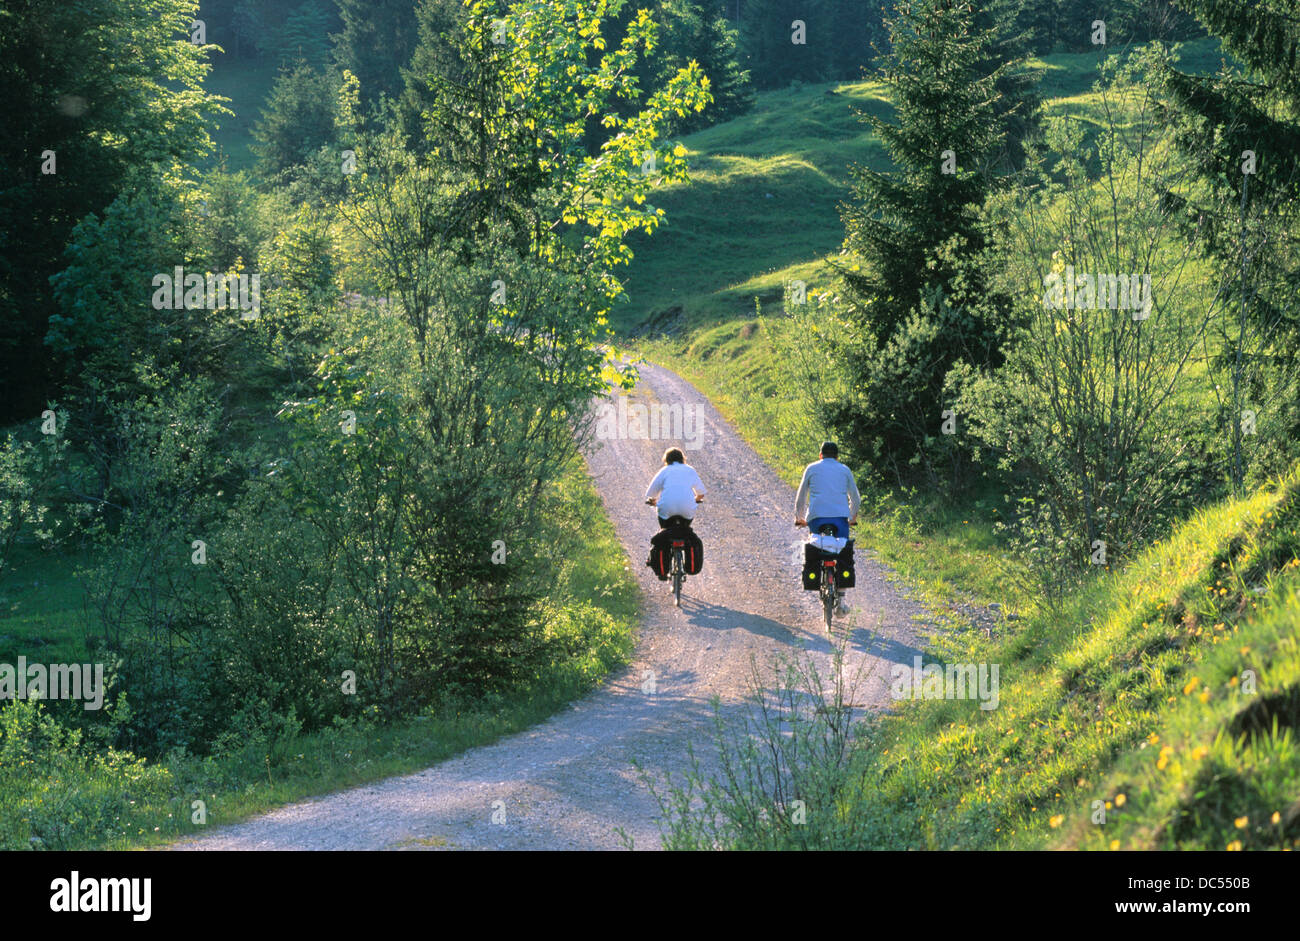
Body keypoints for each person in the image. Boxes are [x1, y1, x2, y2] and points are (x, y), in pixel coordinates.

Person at [794, 441, 860, 615]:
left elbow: (800, 497)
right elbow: (856, 499)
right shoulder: (845, 470)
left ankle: (818, 579)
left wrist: (799, 518)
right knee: (843, 552)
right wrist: (851, 518)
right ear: (837, 457)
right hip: (840, 519)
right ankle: (841, 602)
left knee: (816, 546)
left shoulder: (811, 468)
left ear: (820, 455)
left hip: (816, 518)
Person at [644, 447, 706, 528]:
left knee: (663, 530)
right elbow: (701, 494)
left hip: (667, 510)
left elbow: (651, 493)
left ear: (666, 459)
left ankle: (662, 536)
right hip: (686, 510)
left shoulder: (664, 470)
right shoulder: (690, 470)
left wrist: (653, 501)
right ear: (682, 458)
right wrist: (695, 500)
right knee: (687, 530)